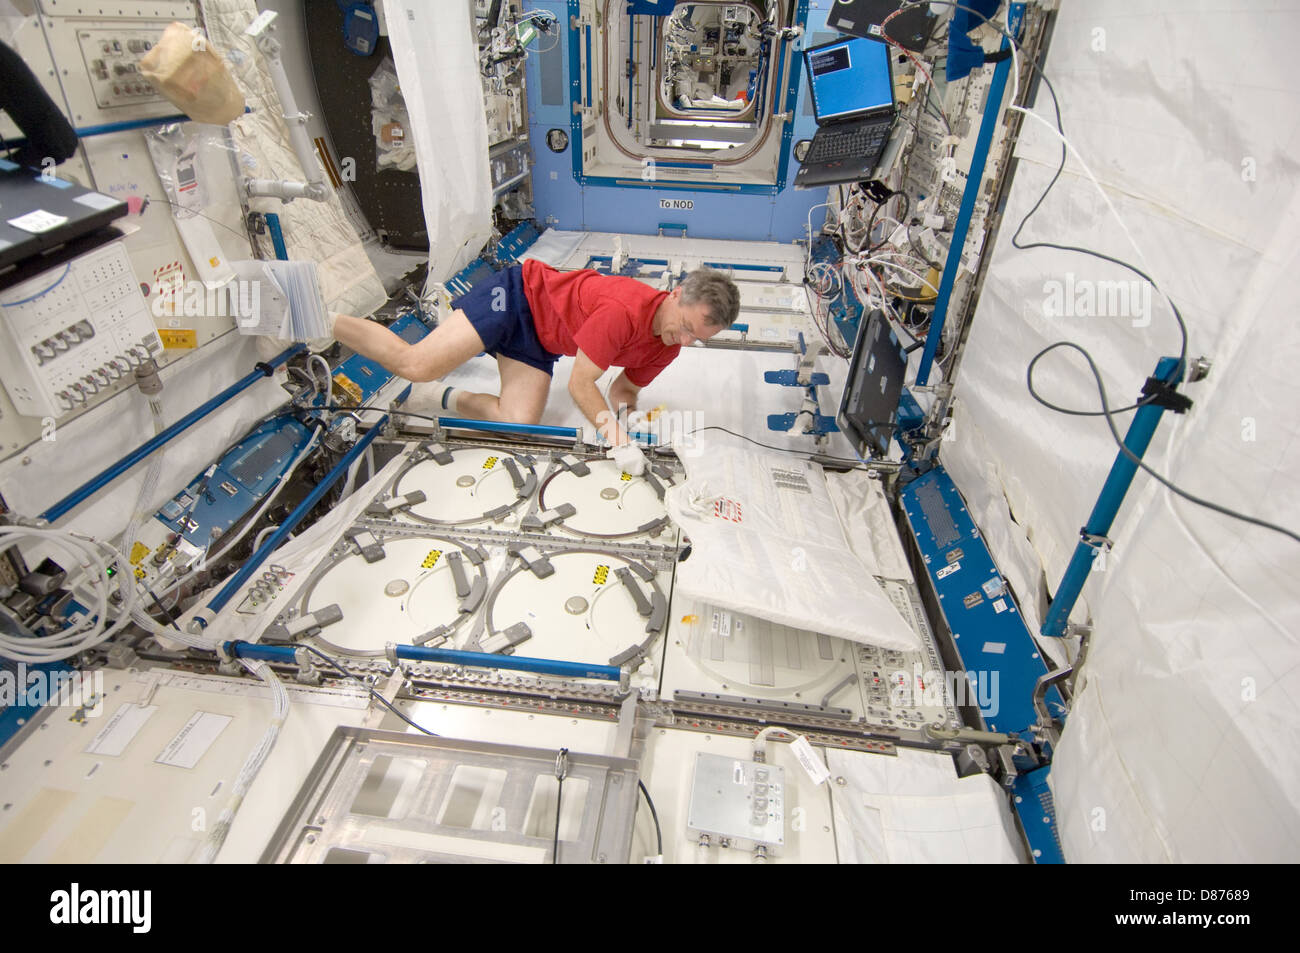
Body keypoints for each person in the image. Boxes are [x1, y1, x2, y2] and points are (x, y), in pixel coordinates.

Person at [332, 260, 740, 473]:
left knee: (516, 422)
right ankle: (318, 319)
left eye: (697, 339)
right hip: (516, 297)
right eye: (686, 327)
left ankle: (435, 396)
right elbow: (582, 385)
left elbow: (624, 391)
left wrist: (630, 423)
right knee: (416, 362)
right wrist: (618, 441)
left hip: (539, 340)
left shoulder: (669, 346)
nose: (685, 341)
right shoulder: (624, 311)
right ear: (675, 293)